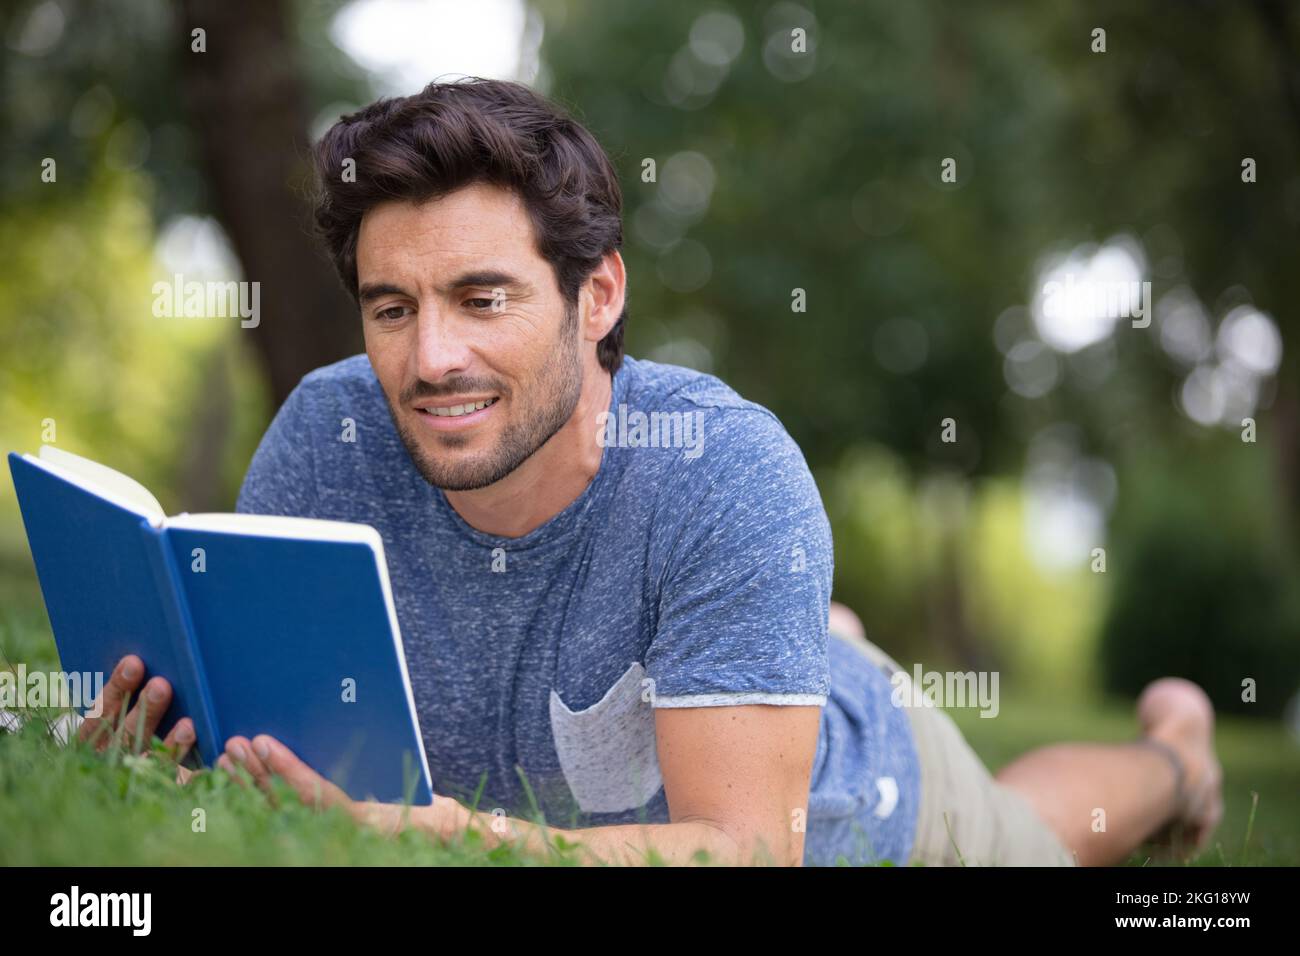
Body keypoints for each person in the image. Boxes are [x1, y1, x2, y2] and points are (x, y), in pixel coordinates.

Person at [74, 78, 1223, 866]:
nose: (432, 358)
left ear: (599, 293)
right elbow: (265, 754)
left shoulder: (723, 469)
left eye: (484, 298)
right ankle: (782, 638)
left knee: (1037, 830)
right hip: (721, 665)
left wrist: (439, 835)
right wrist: (170, 734)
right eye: (392, 307)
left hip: (849, 806)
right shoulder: (328, 434)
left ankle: (1175, 753)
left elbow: (740, 848)